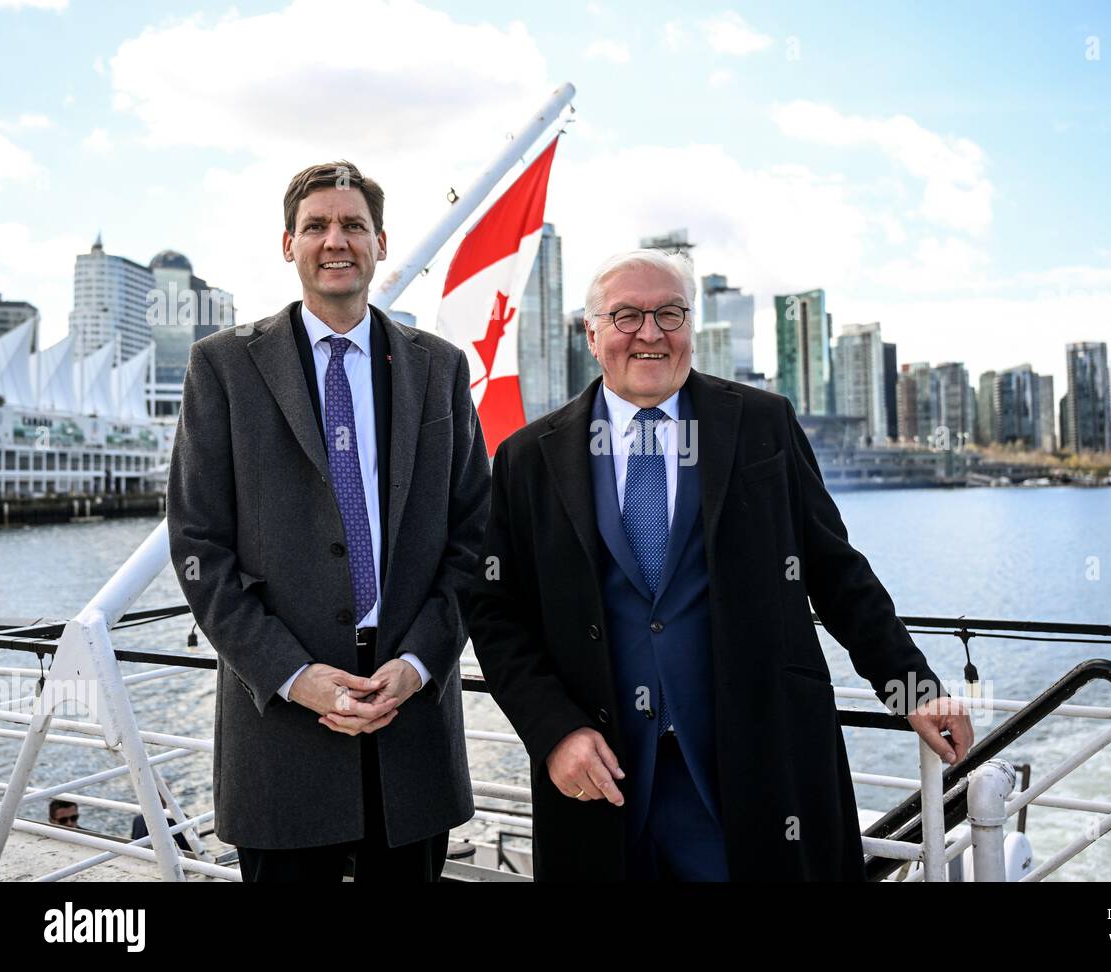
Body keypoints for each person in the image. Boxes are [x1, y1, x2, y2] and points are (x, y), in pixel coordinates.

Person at [468, 248, 972, 881]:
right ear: (592, 334)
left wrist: (914, 688)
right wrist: (554, 731)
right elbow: (494, 608)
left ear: (692, 329)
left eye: (670, 314)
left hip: (754, 760)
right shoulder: (527, 457)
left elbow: (835, 570)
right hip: (603, 778)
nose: (650, 334)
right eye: (627, 316)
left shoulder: (763, 423)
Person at [167, 160, 490, 882]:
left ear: (380, 242)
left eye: (352, 225)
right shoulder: (221, 367)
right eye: (316, 226)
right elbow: (197, 545)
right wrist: (294, 674)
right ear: (289, 245)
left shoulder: (438, 368)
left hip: (411, 726)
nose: (334, 240)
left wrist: (418, 664)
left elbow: (475, 535)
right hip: (281, 730)